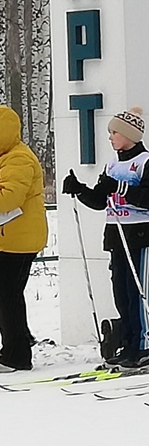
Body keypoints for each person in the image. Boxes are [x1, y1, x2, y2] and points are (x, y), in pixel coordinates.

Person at [62, 107, 149, 367]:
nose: (110, 137)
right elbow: (100, 199)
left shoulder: (148, 162)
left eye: (114, 132)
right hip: (117, 234)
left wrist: (119, 187)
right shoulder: (112, 164)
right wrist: (80, 190)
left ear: (130, 134)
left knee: (137, 292)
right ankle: (128, 343)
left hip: (140, 234)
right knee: (120, 292)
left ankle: (143, 347)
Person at [0, 106, 48, 371]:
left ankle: (16, 354)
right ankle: (16, 343)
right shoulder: (6, 157)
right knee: (6, 295)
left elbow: (9, 198)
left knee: (8, 295)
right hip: (9, 238)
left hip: (19, 240)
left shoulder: (19, 159)